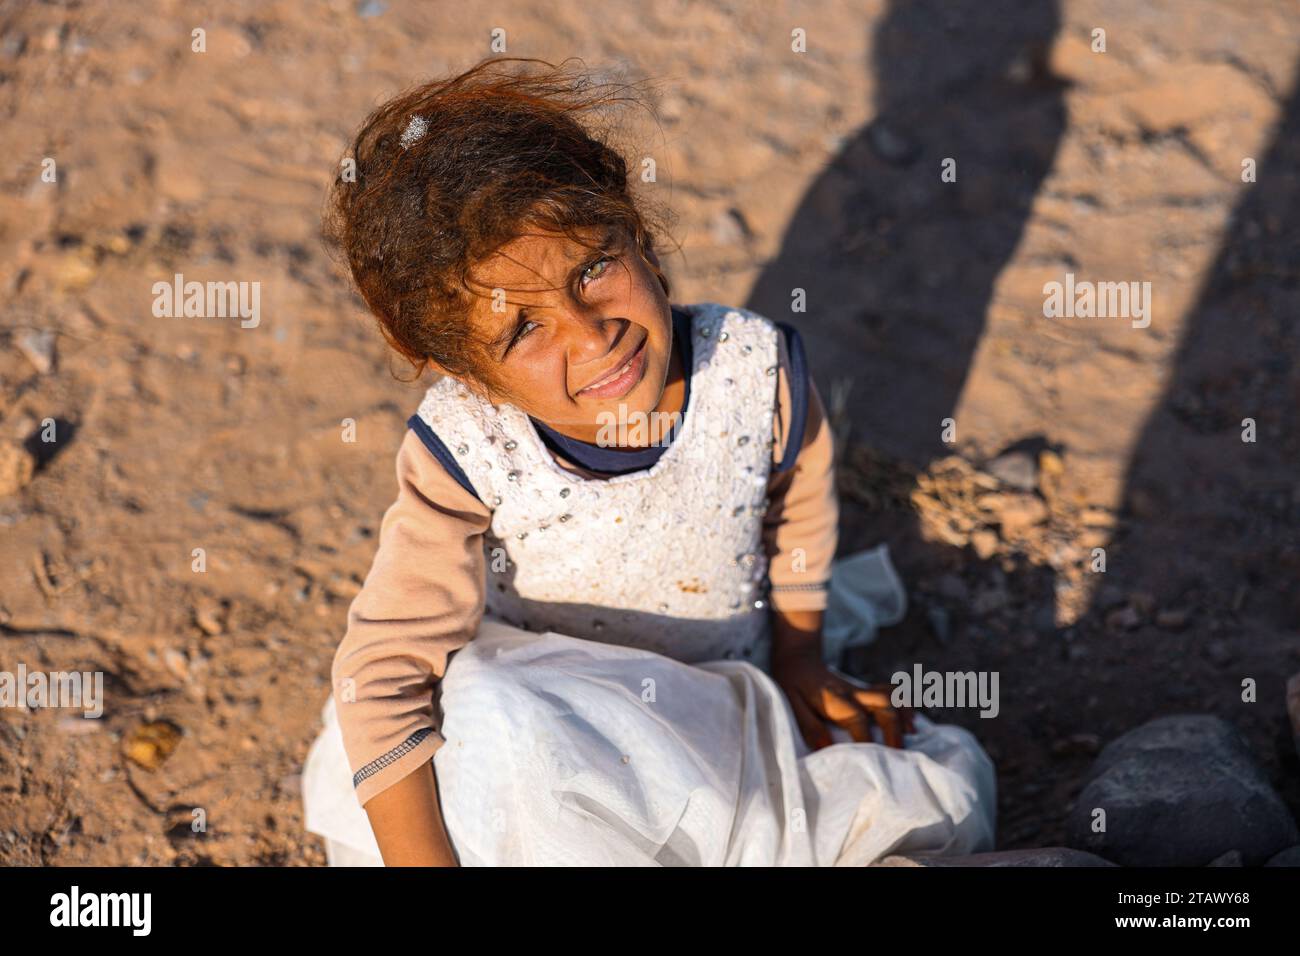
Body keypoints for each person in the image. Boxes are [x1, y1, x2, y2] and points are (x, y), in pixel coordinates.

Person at [302, 55, 995, 866]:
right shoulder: (466, 450)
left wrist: (803, 657)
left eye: (593, 268)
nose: (591, 334)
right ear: (465, 372)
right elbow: (385, 673)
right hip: (548, 732)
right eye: (521, 330)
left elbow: (798, 499)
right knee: (490, 710)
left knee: (902, 809)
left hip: (719, 711)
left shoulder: (753, 375)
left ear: (635, 230)